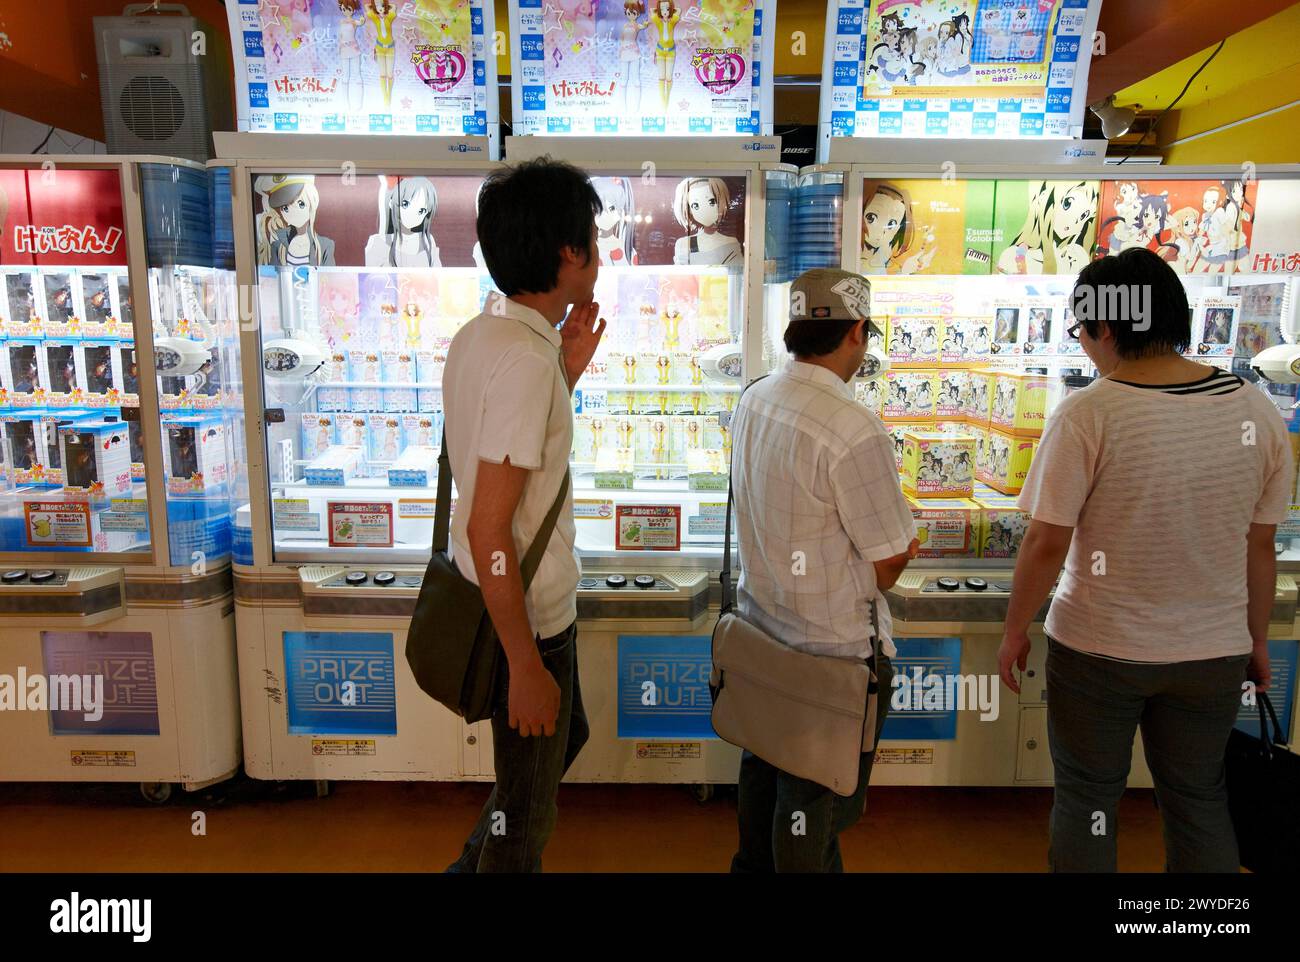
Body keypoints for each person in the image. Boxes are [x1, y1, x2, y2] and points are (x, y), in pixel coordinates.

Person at [999, 248, 1292, 872]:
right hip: (1213, 649)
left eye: (1080, 331)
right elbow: (1258, 543)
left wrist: (1013, 629)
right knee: (1197, 796)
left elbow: (1047, 540)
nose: (1081, 345)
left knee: (1088, 798)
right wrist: (1256, 641)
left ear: (1106, 327)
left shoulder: (1089, 413)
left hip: (1099, 647)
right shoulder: (1256, 409)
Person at [442, 157, 606, 872]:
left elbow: (507, 448)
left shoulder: (486, 334)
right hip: (530, 621)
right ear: (569, 253)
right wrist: (525, 665)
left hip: (501, 603)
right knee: (526, 822)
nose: (598, 252)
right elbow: (491, 529)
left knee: (558, 745)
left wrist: (568, 369)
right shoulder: (524, 361)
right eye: (593, 239)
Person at [728, 268, 920, 873]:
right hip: (832, 652)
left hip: (762, 634)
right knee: (815, 804)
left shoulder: (755, 396)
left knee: (762, 780)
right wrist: (902, 545)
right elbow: (888, 564)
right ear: (857, 333)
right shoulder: (854, 426)